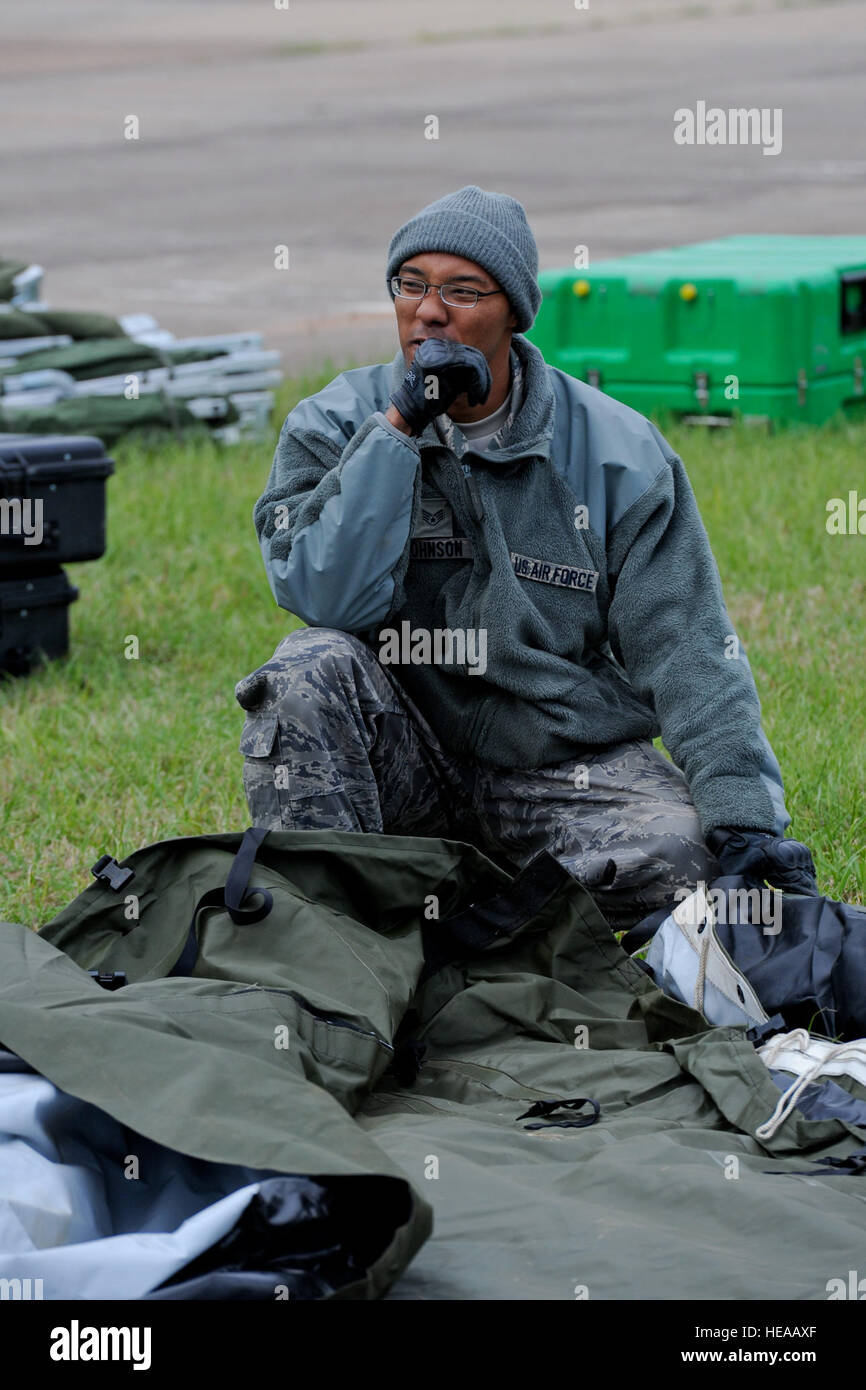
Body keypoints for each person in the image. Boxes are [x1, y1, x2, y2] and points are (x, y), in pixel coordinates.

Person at [236, 185, 818, 931]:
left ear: (512, 310)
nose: (428, 311)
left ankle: (473, 916)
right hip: (405, 762)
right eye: (410, 285)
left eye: (461, 291)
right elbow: (327, 594)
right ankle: (330, 931)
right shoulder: (333, 424)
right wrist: (400, 429)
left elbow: (688, 646)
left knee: (688, 861)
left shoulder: (619, 452)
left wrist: (745, 819)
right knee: (302, 670)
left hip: (557, 765)